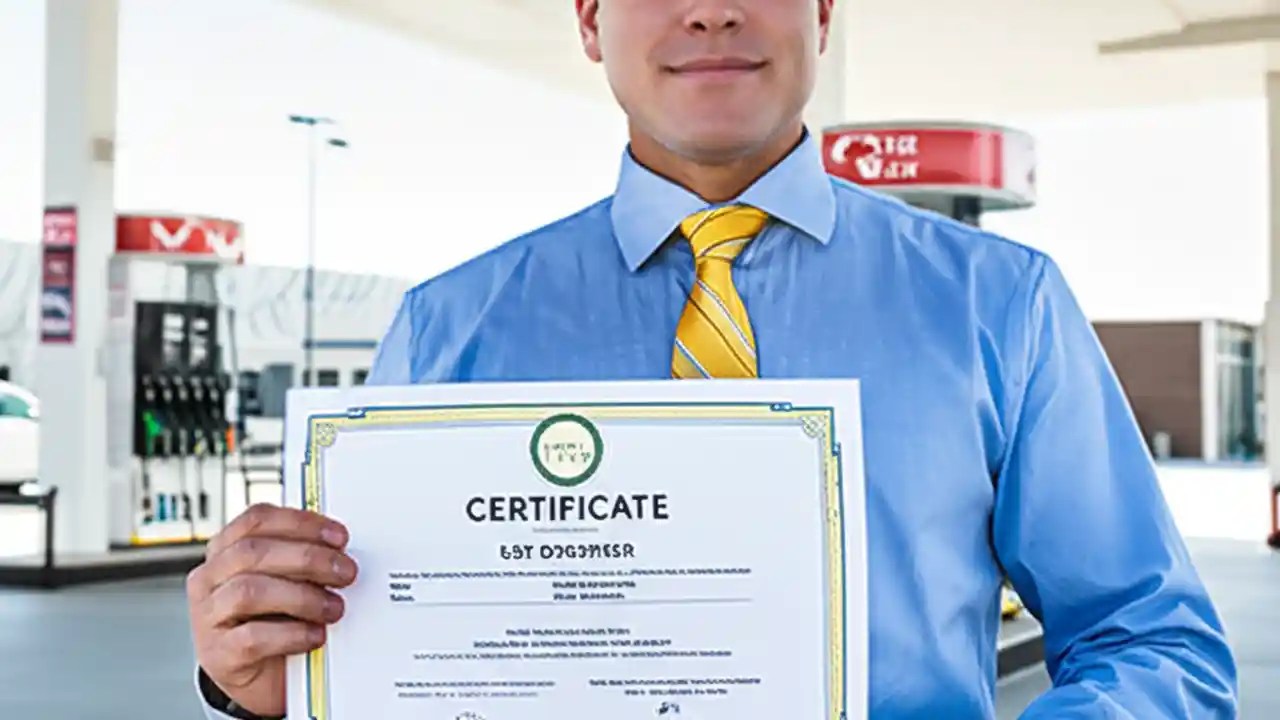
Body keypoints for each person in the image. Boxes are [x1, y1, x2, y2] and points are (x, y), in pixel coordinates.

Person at [187, 1, 1239, 717]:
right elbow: (381, 668)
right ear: (589, 19)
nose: (709, 11)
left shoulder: (998, 305)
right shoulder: (446, 328)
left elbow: (1152, 640)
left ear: (822, 11)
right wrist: (270, 683)